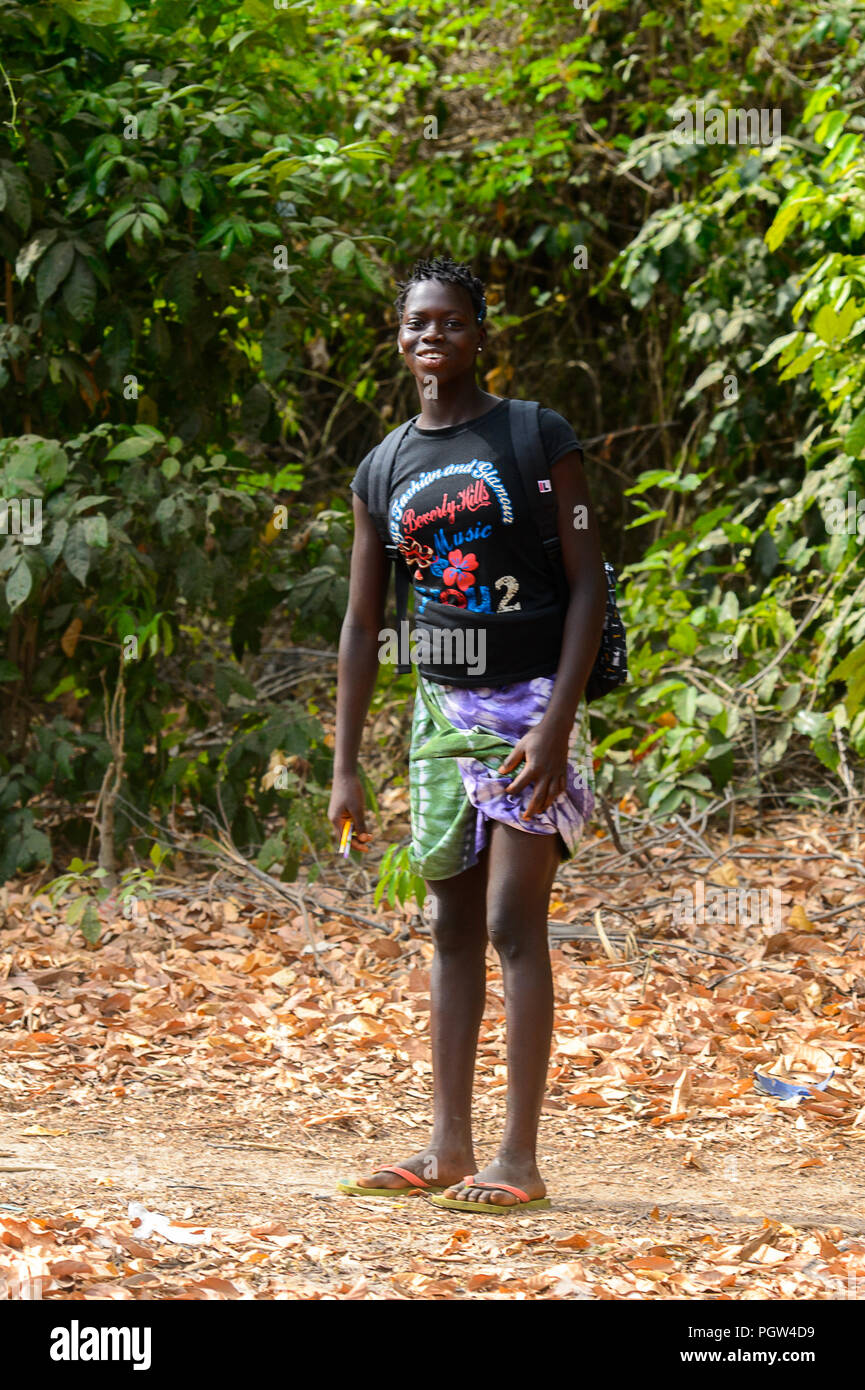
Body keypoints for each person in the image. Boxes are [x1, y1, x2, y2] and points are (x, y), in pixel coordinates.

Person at [328, 255, 607, 1210]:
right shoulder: (382, 467)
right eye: (415, 324)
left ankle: (517, 1159)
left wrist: (559, 728)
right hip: (440, 712)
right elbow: (364, 624)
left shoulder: (534, 434)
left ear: (479, 333)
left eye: (448, 322)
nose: (430, 337)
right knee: (448, 925)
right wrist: (345, 768)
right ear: (399, 340)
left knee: (507, 923)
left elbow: (587, 586)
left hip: (532, 707)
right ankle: (447, 1147)